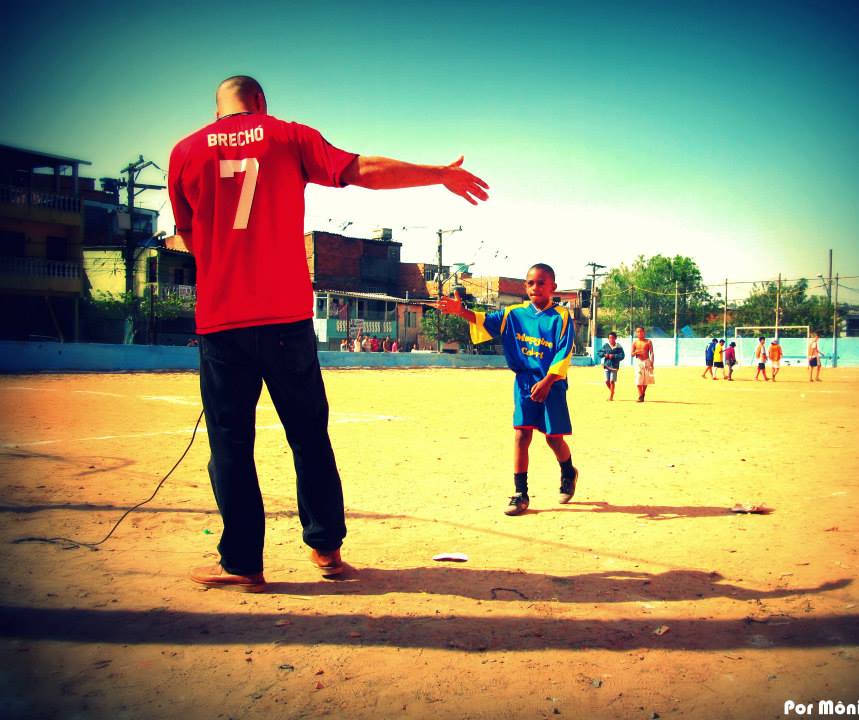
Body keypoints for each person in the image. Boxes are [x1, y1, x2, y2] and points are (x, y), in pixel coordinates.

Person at [170, 75, 489, 591]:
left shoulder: (184, 152)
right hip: (286, 319)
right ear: (262, 103)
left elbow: (188, 235)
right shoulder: (288, 136)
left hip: (223, 321)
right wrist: (436, 174)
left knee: (230, 444)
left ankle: (245, 565)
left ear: (217, 109)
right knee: (308, 437)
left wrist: (227, 267)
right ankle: (327, 551)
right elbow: (361, 170)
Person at [437, 263, 577, 517]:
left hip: (551, 383)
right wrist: (461, 311)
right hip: (524, 383)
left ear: (553, 287)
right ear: (525, 286)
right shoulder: (513, 314)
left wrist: (547, 382)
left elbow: (563, 353)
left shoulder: (561, 317)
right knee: (521, 436)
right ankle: (520, 493)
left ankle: (568, 471)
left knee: (553, 438)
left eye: (542, 282)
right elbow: (482, 321)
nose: (535, 287)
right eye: (531, 283)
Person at [631, 326, 655, 402]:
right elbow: (631, 354)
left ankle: (643, 394)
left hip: (647, 361)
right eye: (637, 332)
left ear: (644, 332)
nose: (639, 333)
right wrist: (635, 352)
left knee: (646, 380)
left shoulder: (648, 342)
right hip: (638, 362)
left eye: (641, 331)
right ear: (636, 333)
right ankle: (640, 395)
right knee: (638, 379)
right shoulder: (635, 343)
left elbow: (652, 352)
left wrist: (652, 362)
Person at [601, 331, 626, 401]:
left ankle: (611, 396)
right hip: (606, 365)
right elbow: (599, 352)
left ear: (615, 338)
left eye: (613, 338)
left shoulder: (619, 347)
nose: (611, 339)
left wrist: (614, 356)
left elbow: (622, 356)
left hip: (614, 366)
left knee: (612, 381)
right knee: (606, 381)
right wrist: (604, 355)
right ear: (608, 339)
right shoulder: (605, 346)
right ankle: (612, 391)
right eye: (610, 338)